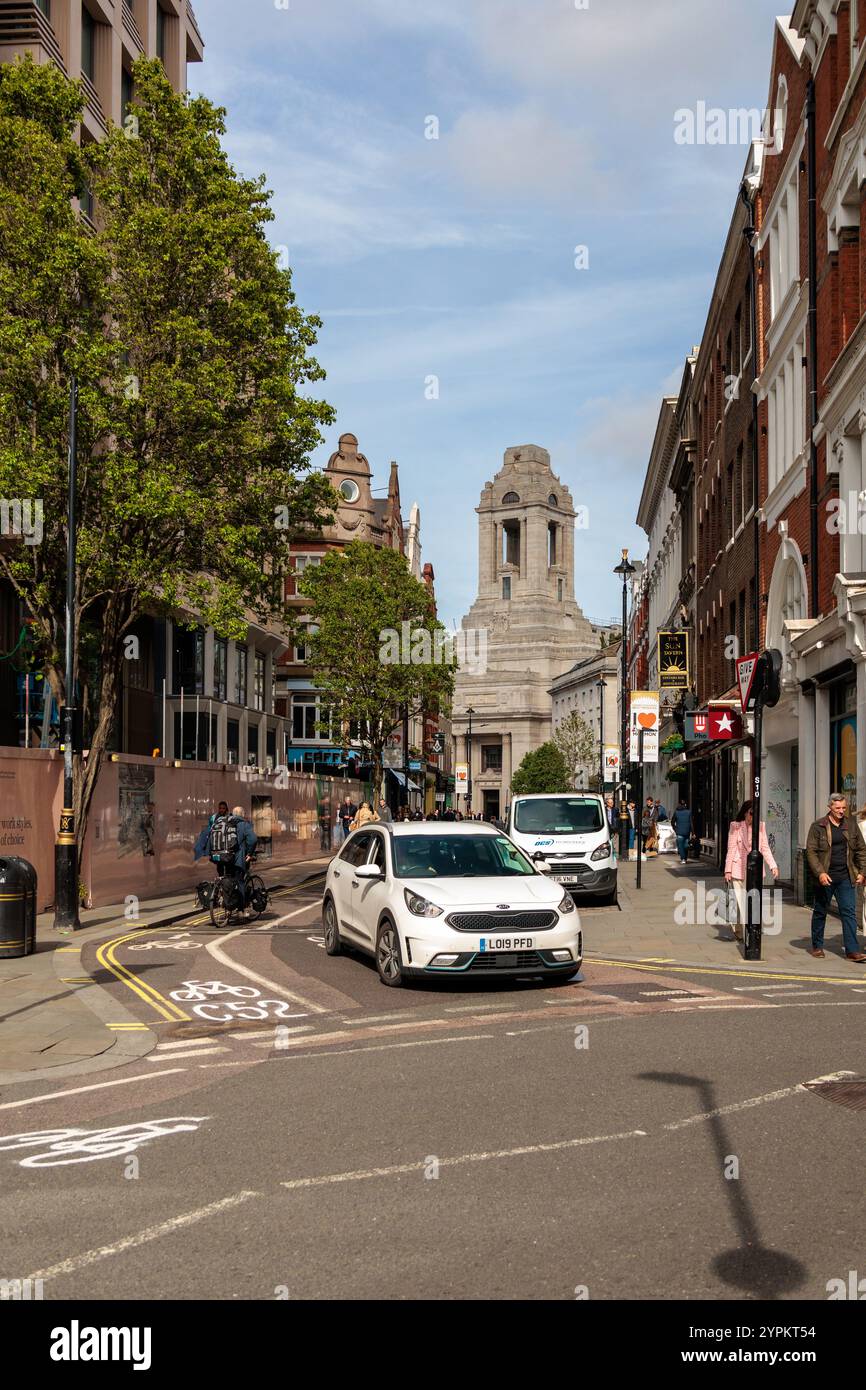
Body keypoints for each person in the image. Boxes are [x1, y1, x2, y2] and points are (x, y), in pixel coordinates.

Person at [805, 793, 866, 961]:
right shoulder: (818, 826)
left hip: (846, 876)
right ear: (829, 808)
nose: (841, 811)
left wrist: (862, 872)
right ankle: (817, 946)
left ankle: (852, 951)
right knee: (820, 911)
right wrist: (820, 873)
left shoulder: (851, 825)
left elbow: (861, 849)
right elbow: (811, 852)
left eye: (844, 808)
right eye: (837, 808)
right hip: (826, 877)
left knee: (848, 913)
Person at [724, 800, 779, 942]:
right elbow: (731, 849)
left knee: (752, 901)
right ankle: (749, 931)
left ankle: (742, 928)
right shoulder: (735, 826)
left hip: (755, 870)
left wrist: (773, 865)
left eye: (755, 814)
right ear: (745, 812)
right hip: (737, 869)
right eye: (750, 813)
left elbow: (765, 848)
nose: (752, 816)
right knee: (742, 902)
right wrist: (727, 870)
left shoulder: (760, 826)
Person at [194, 802, 257, 913]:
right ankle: (241, 910)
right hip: (236, 859)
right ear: (242, 814)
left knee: (225, 879)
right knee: (239, 881)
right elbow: (252, 840)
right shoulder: (243, 824)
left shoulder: (222, 821)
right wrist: (250, 854)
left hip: (220, 858)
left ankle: (225, 902)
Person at [671, 800, 693, 864]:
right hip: (687, 832)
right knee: (686, 845)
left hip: (679, 832)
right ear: (685, 805)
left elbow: (672, 822)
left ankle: (683, 859)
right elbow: (691, 823)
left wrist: (675, 829)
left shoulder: (676, 812)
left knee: (680, 846)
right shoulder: (689, 812)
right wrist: (693, 832)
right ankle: (685, 858)